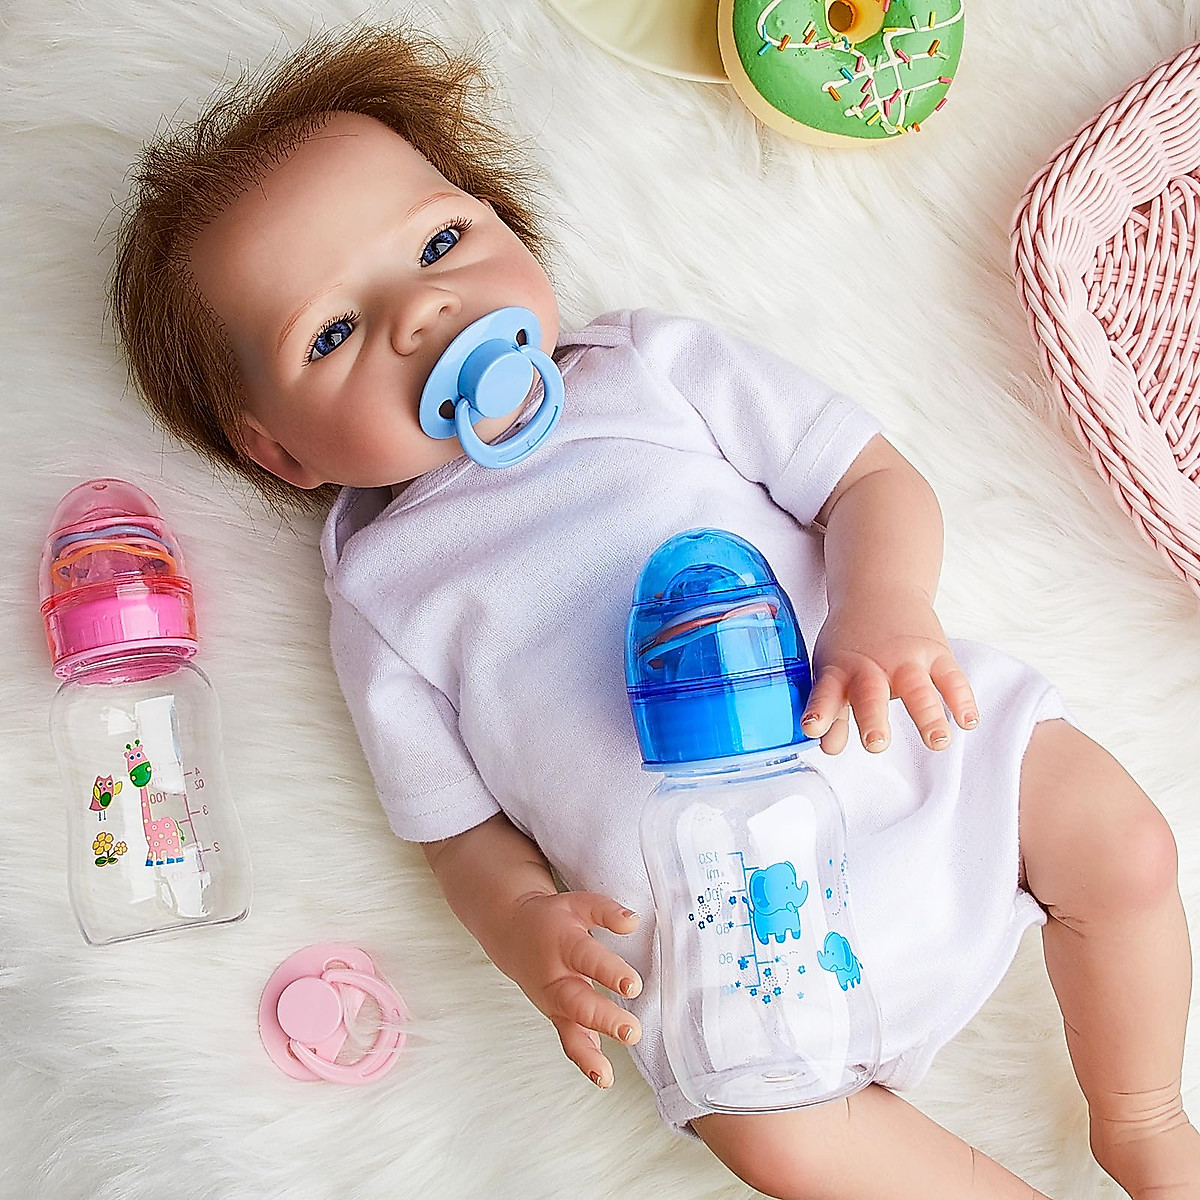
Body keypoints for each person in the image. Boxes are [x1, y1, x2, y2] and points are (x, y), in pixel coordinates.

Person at [107, 24, 1199, 1199]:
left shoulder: (648, 369)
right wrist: (525, 931)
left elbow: (869, 480)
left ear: (504, 223)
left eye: (441, 241)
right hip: (725, 933)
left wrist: (885, 605)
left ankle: (1140, 1116)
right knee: (780, 1143)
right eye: (332, 332)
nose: (423, 312)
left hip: (910, 755)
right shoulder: (382, 595)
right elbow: (457, 833)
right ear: (283, 454)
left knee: (1121, 844)